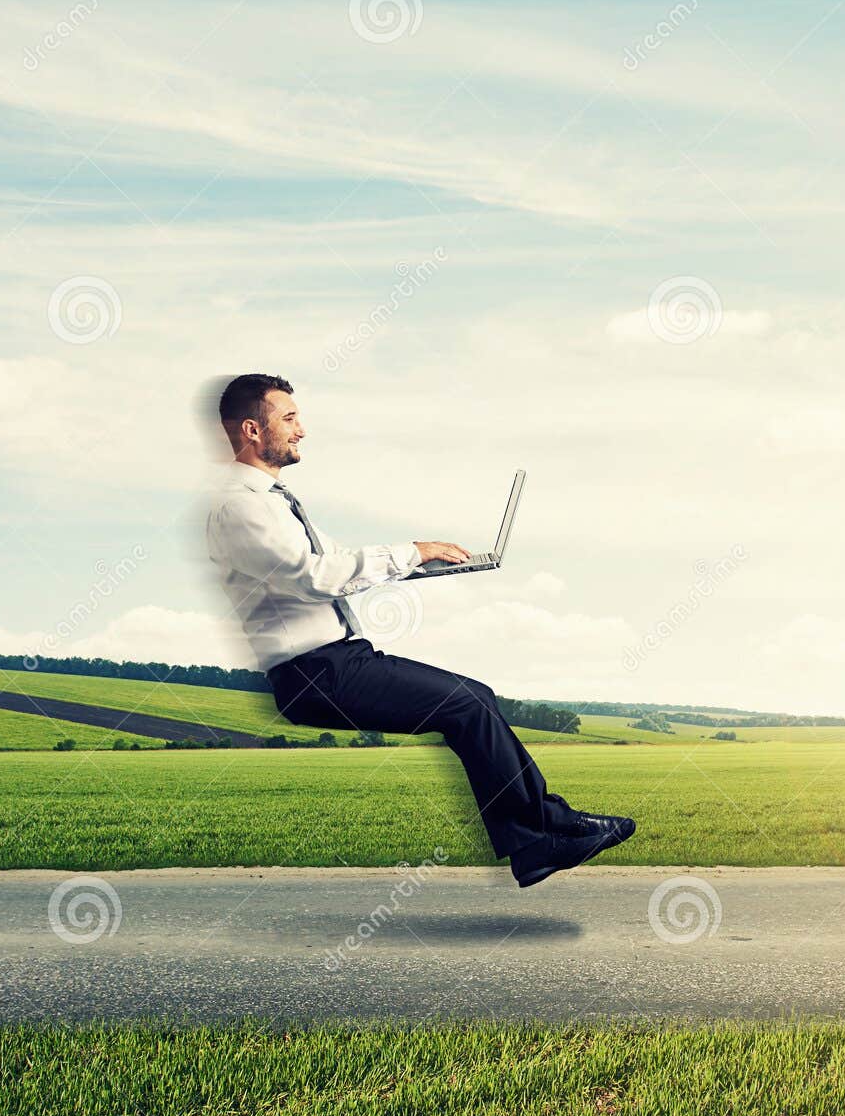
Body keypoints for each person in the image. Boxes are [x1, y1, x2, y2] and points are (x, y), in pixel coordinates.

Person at [204, 372, 636, 887]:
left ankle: (540, 836)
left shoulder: (270, 501)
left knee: (472, 701)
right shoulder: (241, 506)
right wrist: (413, 550)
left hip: (336, 662)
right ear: (253, 429)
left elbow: (335, 562)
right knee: (467, 705)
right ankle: (542, 834)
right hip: (316, 672)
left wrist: (428, 564)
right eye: (290, 418)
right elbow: (316, 576)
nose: (302, 430)